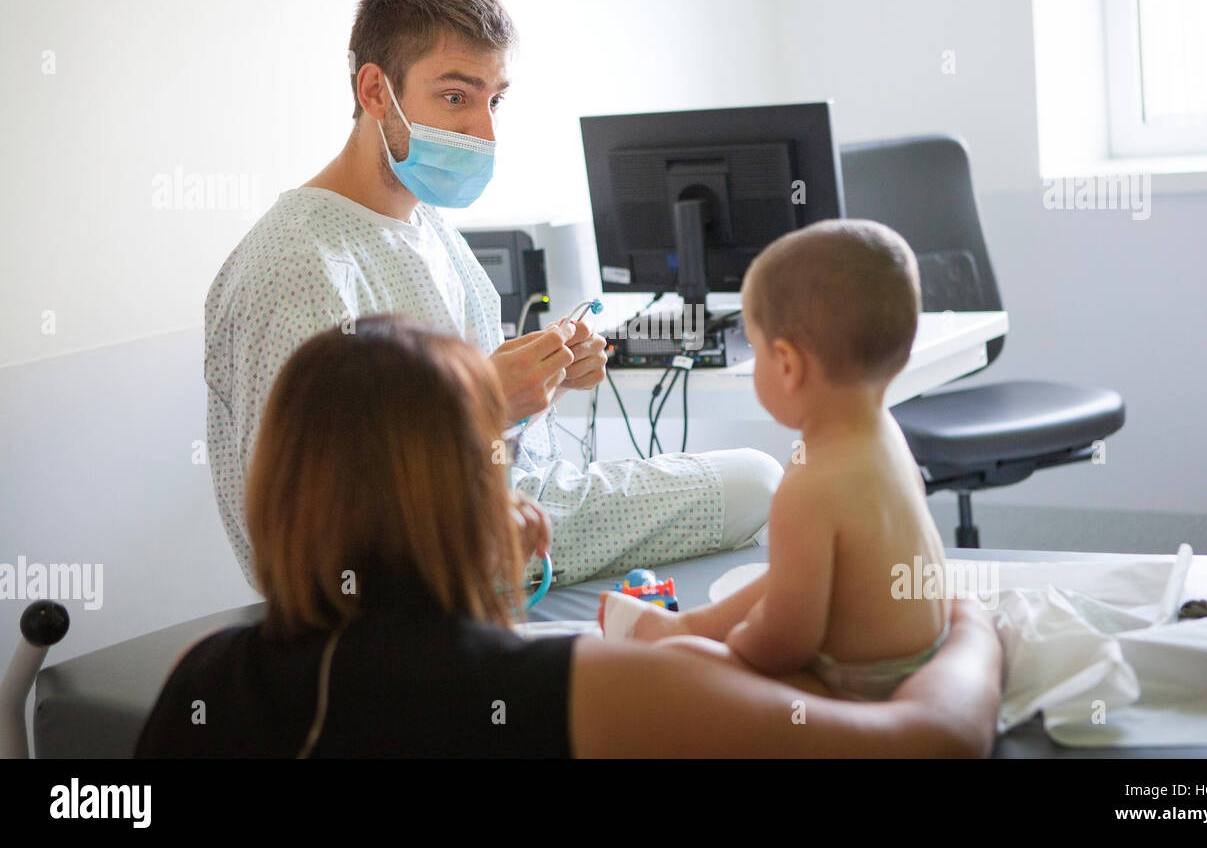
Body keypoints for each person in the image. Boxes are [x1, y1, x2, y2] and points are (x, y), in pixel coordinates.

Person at [136, 315, 1002, 757]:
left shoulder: (203, 683)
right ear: (464, 491)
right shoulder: (583, 687)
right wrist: (969, 629)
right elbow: (928, 745)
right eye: (493, 456)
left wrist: (485, 591)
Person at [204, 0, 781, 591]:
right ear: (375, 90)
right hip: (416, 562)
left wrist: (542, 382)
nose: (486, 131)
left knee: (760, 480)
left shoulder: (430, 230)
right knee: (756, 481)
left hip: (514, 505)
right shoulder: (300, 264)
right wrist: (484, 402)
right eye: (456, 97)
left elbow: (477, 423)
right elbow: (305, 511)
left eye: (495, 100)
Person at [600, 220, 953, 702]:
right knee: (777, 581)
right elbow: (808, 575)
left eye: (753, 345)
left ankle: (673, 640)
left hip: (861, 684)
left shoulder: (807, 486)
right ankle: (687, 624)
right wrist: (710, 624)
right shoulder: (884, 434)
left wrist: (735, 646)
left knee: (693, 669)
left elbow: (787, 641)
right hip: (921, 654)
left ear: (786, 364)